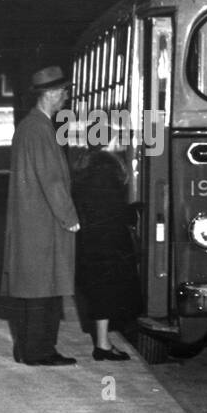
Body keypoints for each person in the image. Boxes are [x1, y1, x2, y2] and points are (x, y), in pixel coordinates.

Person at [1, 66, 80, 366]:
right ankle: (39, 351)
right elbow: (52, 180)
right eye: (63, 92)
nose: (65, 97)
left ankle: (28, 349)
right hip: (42, 224)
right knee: (43, 290)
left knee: (37, 288)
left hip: (33, 222)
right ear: (50, 94)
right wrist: (68, 216)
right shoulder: (39, 129)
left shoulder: (30, 127)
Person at [70, 137, 140, 360]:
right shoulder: (106, 169)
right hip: (107, 244)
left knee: (99, 293)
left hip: (89, 242)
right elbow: (112, 210)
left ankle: (103, 343)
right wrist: (135, 212)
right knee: (106, 293)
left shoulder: (85, 167)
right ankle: (102, 345)